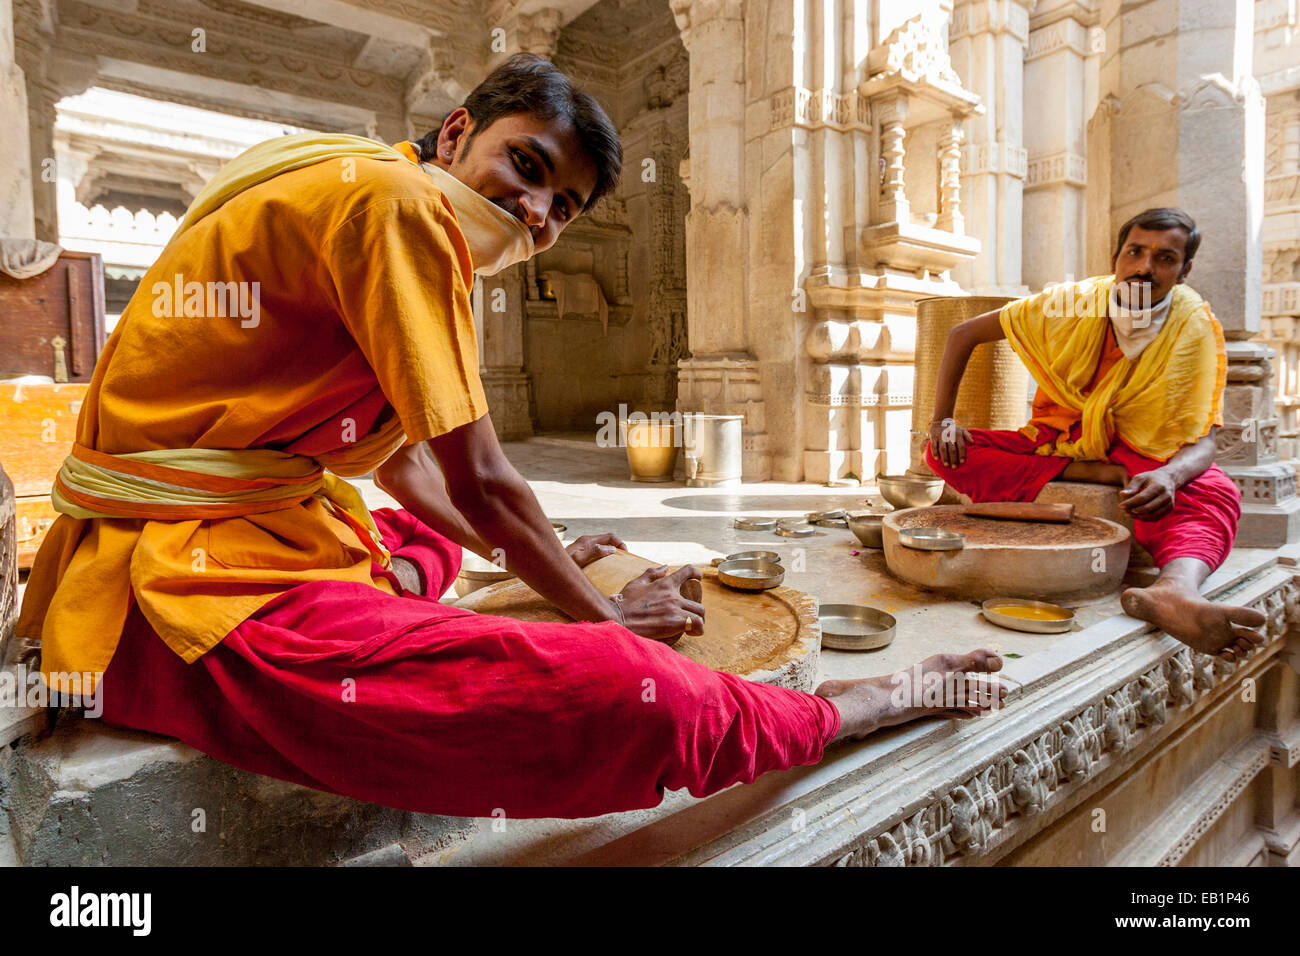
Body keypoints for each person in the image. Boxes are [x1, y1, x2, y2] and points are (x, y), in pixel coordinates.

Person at [16, 53, 1004, 820]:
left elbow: (395, 456)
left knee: (430, 539)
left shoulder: (364, 184)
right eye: (525, 167)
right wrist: (600, 618)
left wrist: (543, 563)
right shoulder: (401, 207)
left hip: (250, 526)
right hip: (169, 591)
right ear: (457, 132)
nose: (532, 213)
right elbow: (485, 480)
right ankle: (851, 705)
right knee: (630, 689)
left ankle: (414, 594)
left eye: (560, 208)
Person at [925, 207, 1266, 663]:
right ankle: (1101, 473)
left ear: (1184, 271)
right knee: (947, 452)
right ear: (1117, 257)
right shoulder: (1073, 303)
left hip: (1143, 452)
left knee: (1214, 490)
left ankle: (1174, 591)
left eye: (1165, 258)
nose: (1145, 267)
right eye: (1135, 252)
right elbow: (962, 333)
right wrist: (942, 420)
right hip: (1061, 442)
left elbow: (1203, 441)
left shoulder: (1194, 324)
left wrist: (1169, 477)